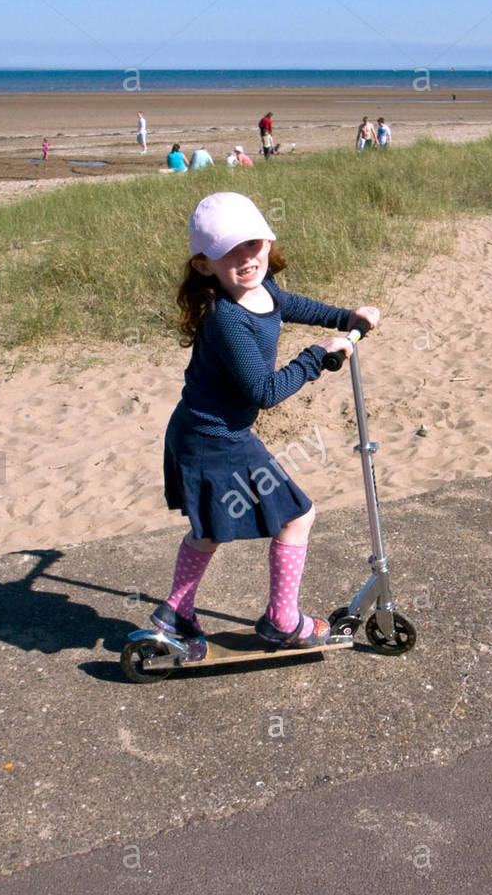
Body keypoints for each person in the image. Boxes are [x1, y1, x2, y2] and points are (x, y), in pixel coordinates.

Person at [155, 192, 381, 649]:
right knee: (298, 516)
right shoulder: (227, 321)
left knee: (212, 529)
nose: (247, 258)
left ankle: (174, 613)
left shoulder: (262, 287)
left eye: (253, 244)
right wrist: (317, 357)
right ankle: (281, 619)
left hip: (211, 433)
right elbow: (264, 392)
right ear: (204, 265)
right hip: (212, 439)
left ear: (267, 243)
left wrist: (345, 316)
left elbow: (291, 305)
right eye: (229, 252)